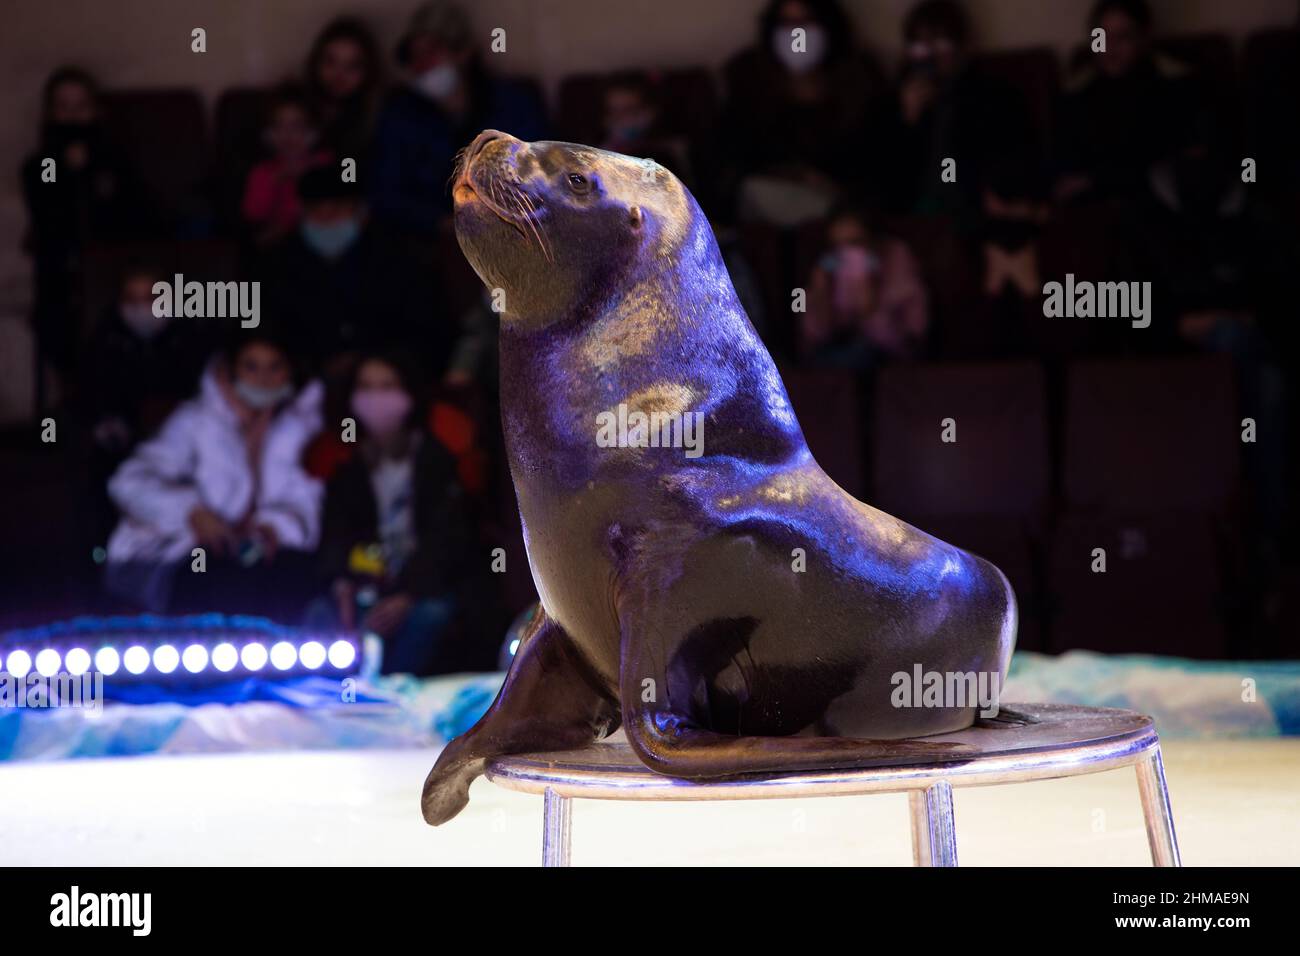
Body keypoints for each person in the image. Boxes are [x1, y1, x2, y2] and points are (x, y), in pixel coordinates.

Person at [104, 328, 324, 617]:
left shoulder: (300, 428)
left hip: (256, 556)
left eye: (274, 367)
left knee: (293, 582)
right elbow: (129, 481)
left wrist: (272, 529)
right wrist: (191, 513)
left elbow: (304, 499)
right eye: (251, 366)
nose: (263, 378)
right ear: (232, 370)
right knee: (215, 580)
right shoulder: (195, 421)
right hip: (181, 553)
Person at [311, 353, 473, 675]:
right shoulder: (346, 462)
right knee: (318, 614)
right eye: (367, 387)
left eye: (387, 386)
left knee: (432, 614)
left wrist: (409, 594)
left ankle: (391, 696)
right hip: (367, 585)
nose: (376, 398)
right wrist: (343, 585)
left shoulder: (436, 459)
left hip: (422, 588)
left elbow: (448, 540)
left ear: (408, 394)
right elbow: (335, 534)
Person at [369, 0, 547, 240]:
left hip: (511, 232)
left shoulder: (513, 103)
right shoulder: (399, 114)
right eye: (414, 55)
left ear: (464, 52)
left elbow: (542, 173)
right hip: (429, 241)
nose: (422, 63)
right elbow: (385, 193)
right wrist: (442, 222)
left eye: (432, 51)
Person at [20, 67, 148, 398]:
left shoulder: (115, 160)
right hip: (62, 272)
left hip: (111, 263)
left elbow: (129, 208)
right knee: (60, 320)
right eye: (64, 107)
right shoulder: (40, 165)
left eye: (81, 107)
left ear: (95, 111)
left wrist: (91, 172)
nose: (73, 117)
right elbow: (46, 209)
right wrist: (66, 171)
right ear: (50, 113)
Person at [262, 166, 444, 382]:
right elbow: (265, 333)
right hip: (300, 383)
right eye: (316, 212)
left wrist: (367, 363)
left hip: (389, 384)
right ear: (301, 214)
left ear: (361, 213)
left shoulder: (402, 261)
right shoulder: (276, 264)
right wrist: (310, 366)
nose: (326, 220)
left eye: (337, 210)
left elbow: (428, 332)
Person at [867, 0, 1035, 221]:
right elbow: (882, 176)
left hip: (974, 212)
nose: (930, 55)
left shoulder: (995, 96)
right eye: (920, 46)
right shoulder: (889, 103)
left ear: (963, 47)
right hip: (913, 215)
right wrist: (908, 120)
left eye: (940, 43)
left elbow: (1014, 160)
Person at [721, 0, 884, 226]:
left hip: (845, 211)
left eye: (806, 22)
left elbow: (876, 160)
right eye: (787, 23)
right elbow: (734, 160)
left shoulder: (859, 84)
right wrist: (795, 174)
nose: (797, 33)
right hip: (770, 210)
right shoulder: (750, 84)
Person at [1054, 0, 1202, 206]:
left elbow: (1183, 158)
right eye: (1102, 36)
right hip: (1098, 207)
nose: (1110, 46)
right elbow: (1065, 170)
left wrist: (1099, 178)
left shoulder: (1176, 84)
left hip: (1161, 204)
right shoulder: (1076, 92)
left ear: (1143, 38)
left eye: (1123, 37)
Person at [800, 205, 928, 368]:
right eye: (837, 247)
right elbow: (810, 342)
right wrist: (821, 295)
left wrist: (871, 309)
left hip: (889, 360)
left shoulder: (896, 262)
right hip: (835, 360)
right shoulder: (826, 270)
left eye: (855, 243)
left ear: (874, 241)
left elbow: (912, 340)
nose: (847, 254)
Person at [240, 85, 331, 246]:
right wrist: (276, 180)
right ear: (267, 135)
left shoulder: (324, 162)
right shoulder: (262, 172)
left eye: (296, 126)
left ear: (312, 133)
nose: (286, 134)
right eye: (278, 126)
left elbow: (338, 206)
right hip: (282, 247)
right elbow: (253, 213)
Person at [303, 16, 384, 162]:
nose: (339, 75)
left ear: (368, 71)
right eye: (331, 62)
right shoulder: (299, 106)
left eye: (352, 66)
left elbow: (349, 177)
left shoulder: (373, 118)